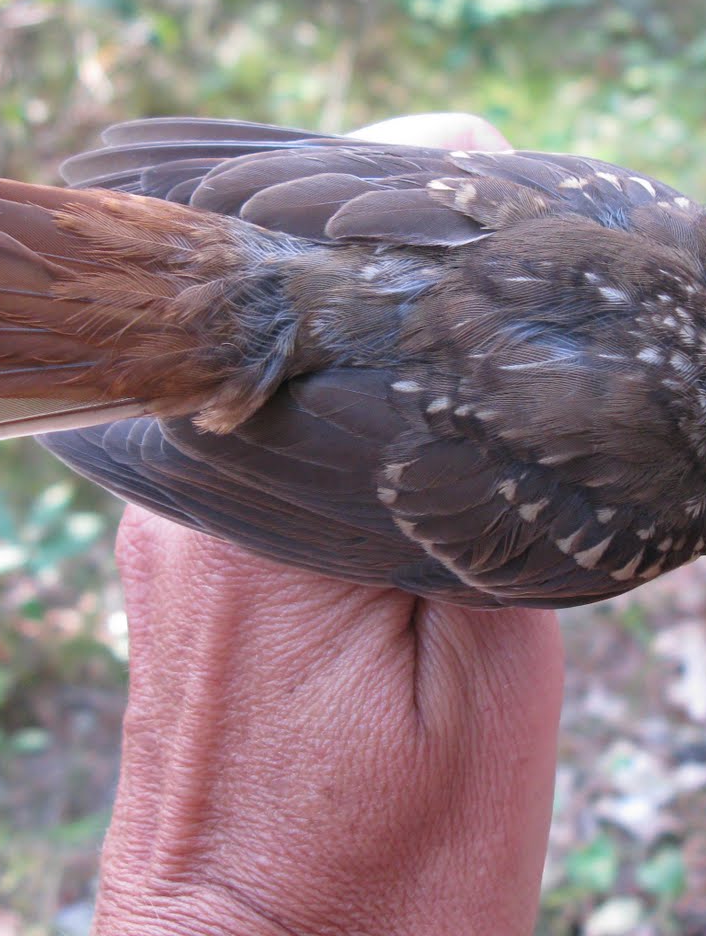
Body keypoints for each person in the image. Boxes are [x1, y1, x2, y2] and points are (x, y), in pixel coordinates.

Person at [91, 114, 565, 935]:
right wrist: (241, 913)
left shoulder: (697, 242)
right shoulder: (663, 512)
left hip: (296, 249)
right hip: (268, 291)